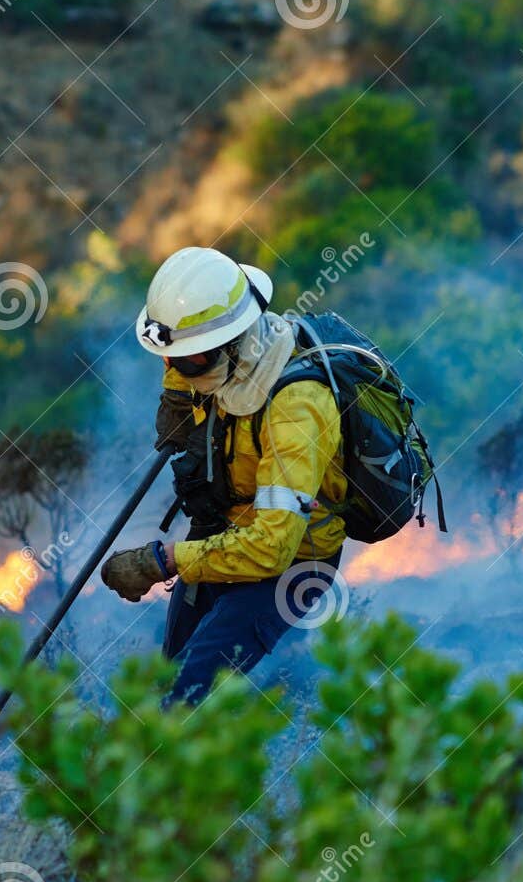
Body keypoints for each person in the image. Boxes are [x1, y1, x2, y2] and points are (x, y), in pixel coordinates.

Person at [99, 247, 347, 705]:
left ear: (233, 343)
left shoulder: (297, 408)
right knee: (170, 682)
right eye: (168, 358)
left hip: (291, 559)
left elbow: (272, 547)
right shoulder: (210, 360)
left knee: (186, 697)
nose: (174, 368)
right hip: (222, 529)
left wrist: (162, 562)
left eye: (186, 362)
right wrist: (177, 394)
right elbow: (183, 366)